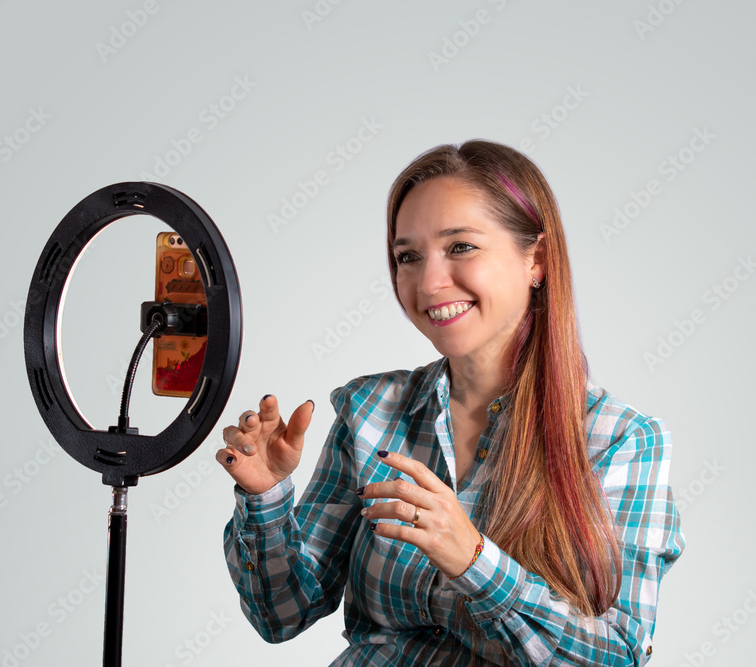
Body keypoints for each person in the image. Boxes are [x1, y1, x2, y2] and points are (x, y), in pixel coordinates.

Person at [216, 140, 685, 666]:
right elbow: (282, 614)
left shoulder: (620, 440)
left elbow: (616, 655)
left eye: (460, 246)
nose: (429, 282)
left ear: (538, 260)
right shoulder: (369, 410)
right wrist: (266, 498)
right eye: (408, 257)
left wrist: (473, 560)